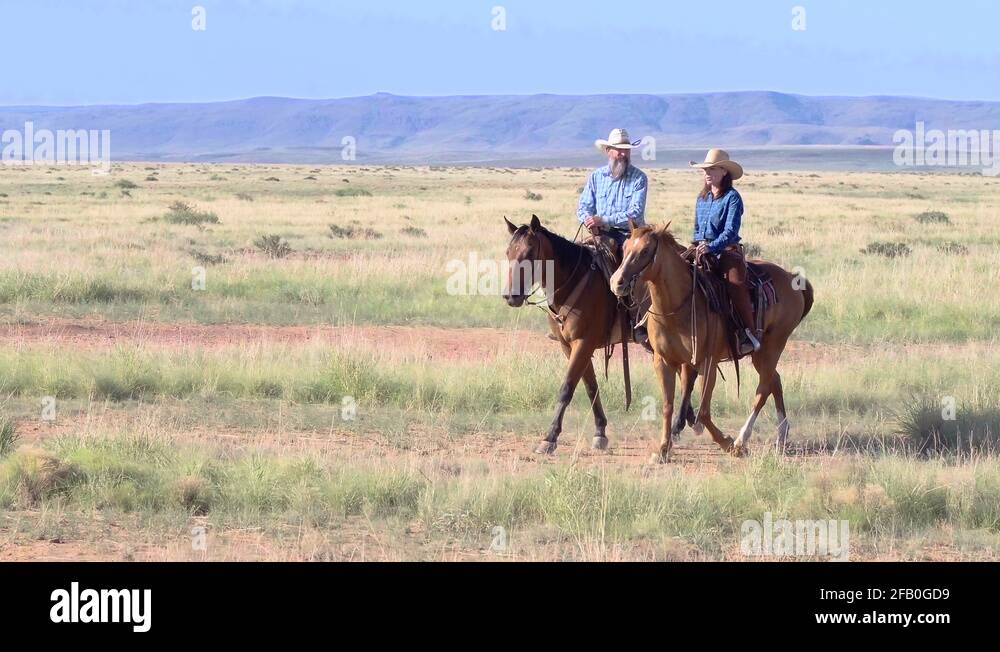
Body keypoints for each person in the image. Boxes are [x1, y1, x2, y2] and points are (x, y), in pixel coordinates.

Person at [577, 128, 650, 344]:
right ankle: (570, 316)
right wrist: (588, 220)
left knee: (630, 270)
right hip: (599, 235)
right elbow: (583, 206)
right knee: (575, 260)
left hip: (628, 235)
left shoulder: (639, 178)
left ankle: (635, 320)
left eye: (626, 150)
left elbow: (635, 214)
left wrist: (603, 220)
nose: (623, 154)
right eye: (618, 150)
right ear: (608, 151)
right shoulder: (596, 177)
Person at [689, 148, 761, 354]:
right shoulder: (702, 198)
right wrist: (697, 244)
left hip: (726, 251)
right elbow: (696, 228)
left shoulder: (732, 198)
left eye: (712, 169)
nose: (707, 173)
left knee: (735, 284)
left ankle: (748, 333)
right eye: (705, 169)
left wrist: (711, 246)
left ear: (724, 172)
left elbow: (730, 231)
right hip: (702, 249)